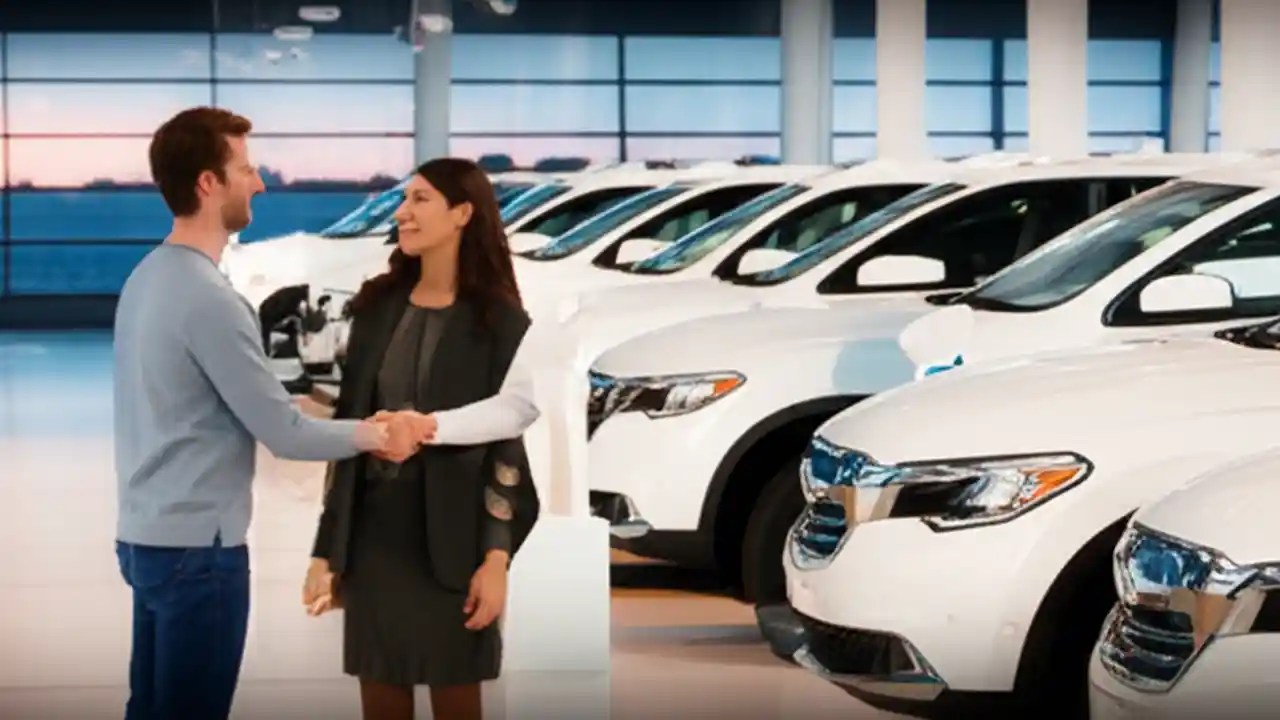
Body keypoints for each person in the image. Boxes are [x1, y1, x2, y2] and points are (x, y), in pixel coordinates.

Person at [110, 107, 513, 720]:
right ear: (207, 184)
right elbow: (285, 431)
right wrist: (381, 432)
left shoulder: (145, 279)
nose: (260, 182)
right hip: (201, 550)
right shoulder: (212, 300)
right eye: (245, 169)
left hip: (145, 539)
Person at [303, 158, 543, 720]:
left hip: (454, 548)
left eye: (420, 200)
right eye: (404, 200)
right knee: (381, 702)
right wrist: (326, 549)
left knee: (459, 700)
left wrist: (496, 560)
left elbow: (506, 442)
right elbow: (349, 431)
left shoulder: (499, 320)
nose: (404, 213)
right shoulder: (376, 306)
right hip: (374, 545)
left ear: (462, 213)